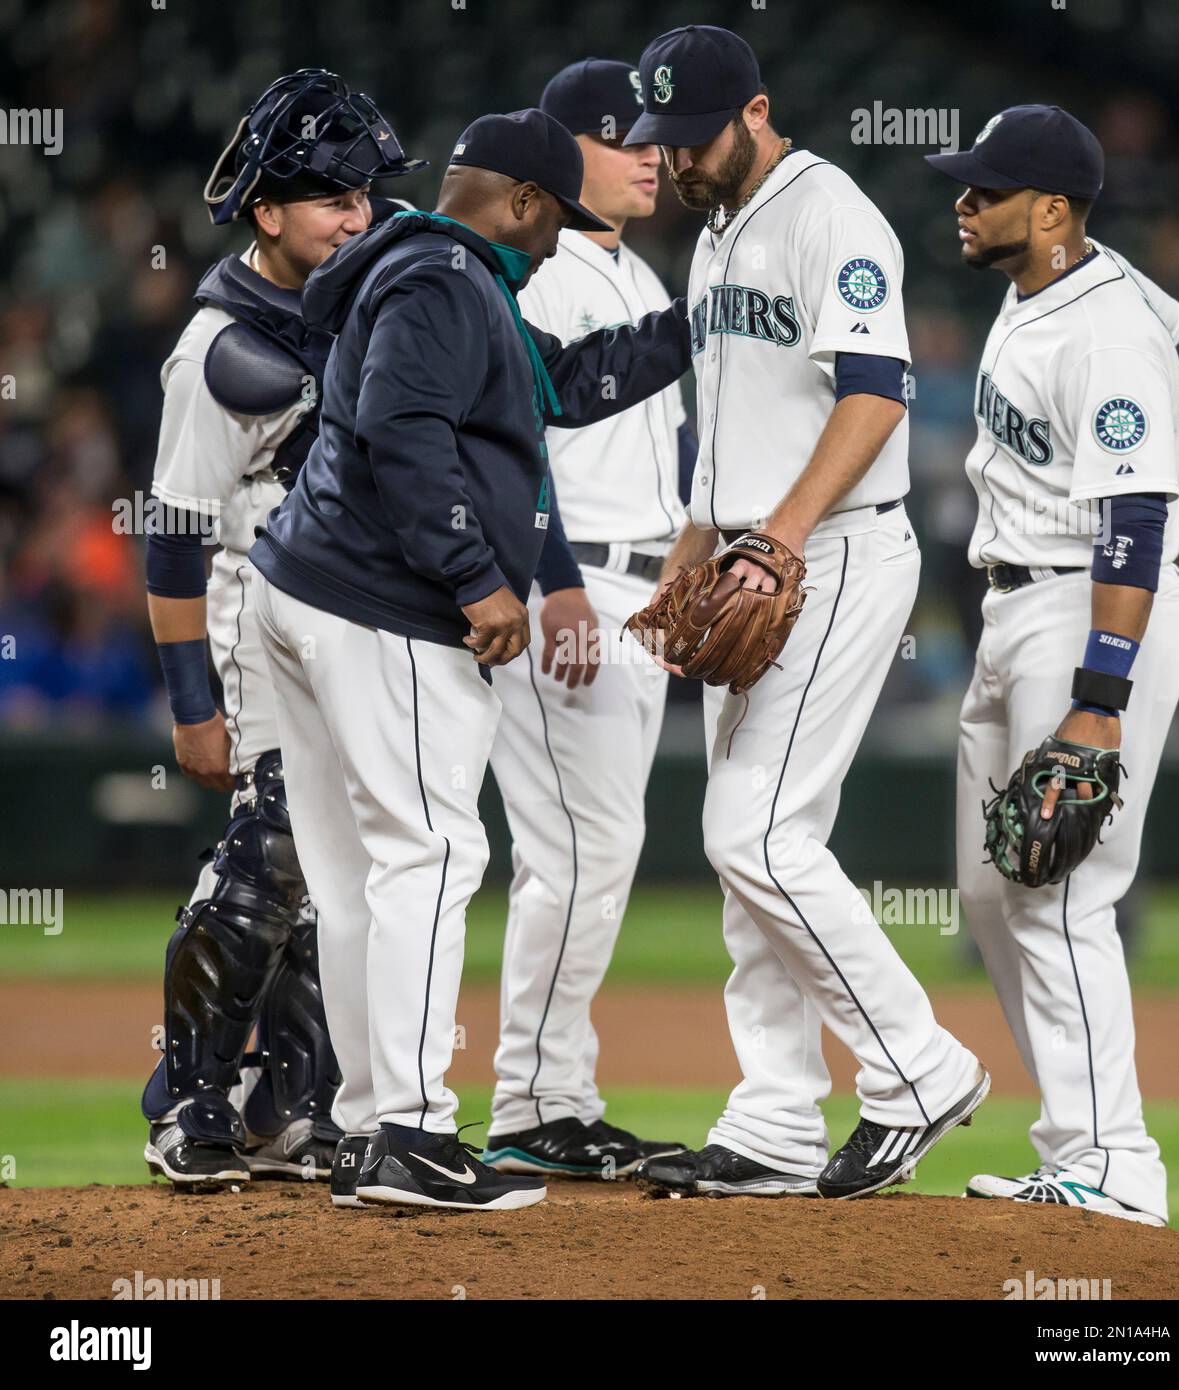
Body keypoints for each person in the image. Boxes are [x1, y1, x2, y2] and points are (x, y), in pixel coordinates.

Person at [250, 108, 692, 1212]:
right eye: (553, 225)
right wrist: (477, 577)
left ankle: (368, 1127)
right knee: (434, 853)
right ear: (524, 202)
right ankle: (406, 1130)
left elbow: (559, 384)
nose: (553, 247)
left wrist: (694, 327)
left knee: (361, 877)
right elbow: (407, 430)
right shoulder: (449, 278)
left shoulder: (427, 268)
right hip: (381, 603)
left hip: (309, 593)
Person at [624, 25, 988, 1201]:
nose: (676, 161)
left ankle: (916, 1069)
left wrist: (773, 536)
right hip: (747, 553)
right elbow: (724, 420)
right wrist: (693, 547)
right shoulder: (715, 234)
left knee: (756, 835)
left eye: (695, 137)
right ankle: (777, 1116)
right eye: (662, 142)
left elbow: (876, 398)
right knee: (748, 856)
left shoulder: (831, 214)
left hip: (829, 552)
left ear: (758, 111)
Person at [141, 69, 424, 1189]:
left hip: (360, 610)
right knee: (267, 861)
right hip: (251, 610)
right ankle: (188, 1101)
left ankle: (289, 1101)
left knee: (334, 867)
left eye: (365, 197)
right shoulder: (216, 355)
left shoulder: (380, 286)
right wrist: (193, 708)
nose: (358, 216)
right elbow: (169, 541)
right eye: (331, 199)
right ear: (268, 212)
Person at [926, 105, 1179, 1226]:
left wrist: (1099, 699)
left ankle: (1114, 1163)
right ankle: (1073, 1141)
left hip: (1089, 610)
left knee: (1060, 893)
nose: (961, 200)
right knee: (994, 892)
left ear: (1049, 210)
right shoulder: (1059, 283)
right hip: (1014, 608)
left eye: (983, 189)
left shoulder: (1101, 328)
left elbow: (1136, 507)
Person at [480, 59, 691, 1180]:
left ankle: (555, 1094)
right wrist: (553, 574)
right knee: (575, 852)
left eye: (655, 136)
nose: (651, 153)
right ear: (562, 150)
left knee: (591, 851)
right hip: (572, 588)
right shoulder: (540, 269)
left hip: (641, 588)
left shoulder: (639, 270)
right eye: (624, 138)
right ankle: (527, 1102)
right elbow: (519, 437)